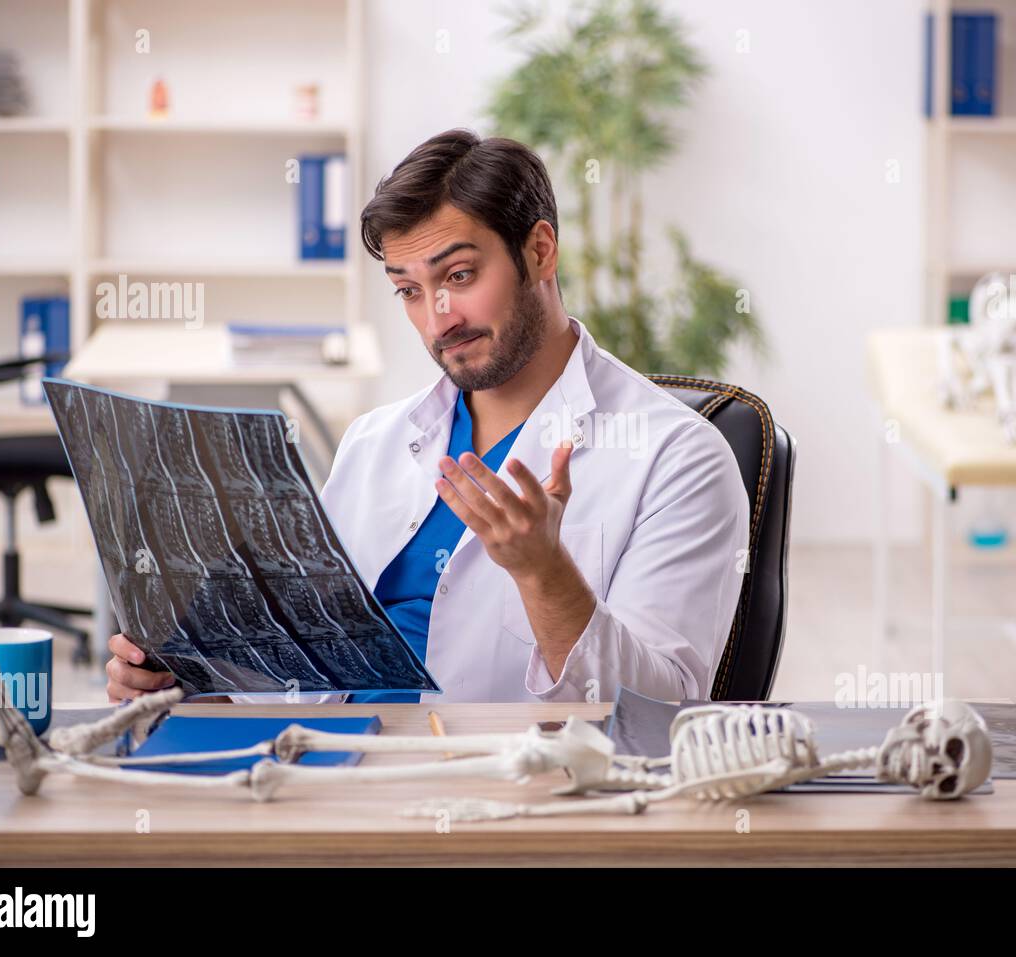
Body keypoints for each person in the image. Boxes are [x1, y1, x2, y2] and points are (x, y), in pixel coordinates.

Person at [106, 128, 749, 705]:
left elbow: (661, 715)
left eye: (460, 274)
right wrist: (194, 684)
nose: (439, 317)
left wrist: (543, 574)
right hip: (325, 775)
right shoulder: (375, 442)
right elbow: (304, 668)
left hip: (497, 798)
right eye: (410, 291)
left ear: (541, 252)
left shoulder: (678, 456)